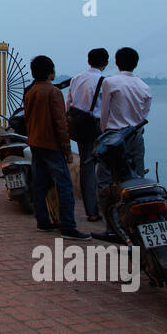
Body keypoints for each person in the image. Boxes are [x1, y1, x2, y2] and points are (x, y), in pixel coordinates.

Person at [23, 55, 90, 240]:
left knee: (40, 184)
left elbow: (27, 119)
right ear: (50, 72)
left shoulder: (30, 92)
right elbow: (61, 123)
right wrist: (67, 150)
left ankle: (43, 221)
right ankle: (68, 226)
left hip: (36, 143)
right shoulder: (53, 92)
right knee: (65, 186)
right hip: (52, 145)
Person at [66, 48, 108, 223]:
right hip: (97, 127)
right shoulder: (104, 81)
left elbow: (68, 104)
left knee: (86, 166)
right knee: (105, 168)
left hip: (78, 125)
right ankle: (105, 210)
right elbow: (107, 109)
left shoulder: (76, 78)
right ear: (105, 63)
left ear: (88, 60)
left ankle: (91, 210)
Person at [100, 46, 152, 179]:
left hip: (113, 135)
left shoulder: (110, 82)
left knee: (106, 176)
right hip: (135, 135)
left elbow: (104, 111)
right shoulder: (144, 87)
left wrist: (103, 132)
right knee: (137, 175)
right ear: (136, 64)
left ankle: (106, 199)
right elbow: (144, 115)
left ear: (117, 63)